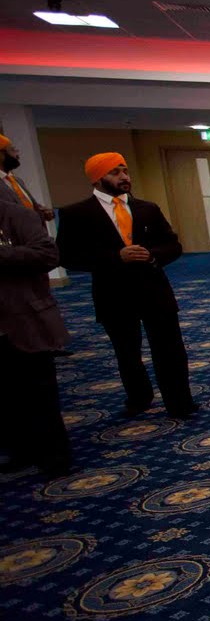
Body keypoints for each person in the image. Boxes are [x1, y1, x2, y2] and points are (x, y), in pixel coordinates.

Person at [56, 153, 196, 419]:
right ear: (97, 178)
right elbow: (67, 256)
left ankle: (180, 402)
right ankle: (139, 397)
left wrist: (153, 255)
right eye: (115, 172)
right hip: (113, 293)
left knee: (170, 349)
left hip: (154, 289)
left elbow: (173, 245)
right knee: (127, 351)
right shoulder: (76, 213)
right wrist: (115, 257)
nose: (124, 177)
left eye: (125, 171)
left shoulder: (147, 208)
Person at [0, 194, 71, 476]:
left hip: (24, 320)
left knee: (38, 393)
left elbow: (48, 255)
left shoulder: (17, 216)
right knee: (6, 397)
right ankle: (21, 450)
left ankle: (55, 456)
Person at [0, 135, 54, 223]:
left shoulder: (17, 180)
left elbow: (25, 207)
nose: (17, 155)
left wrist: (43, 212)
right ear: (1, 155)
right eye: (13, 150)